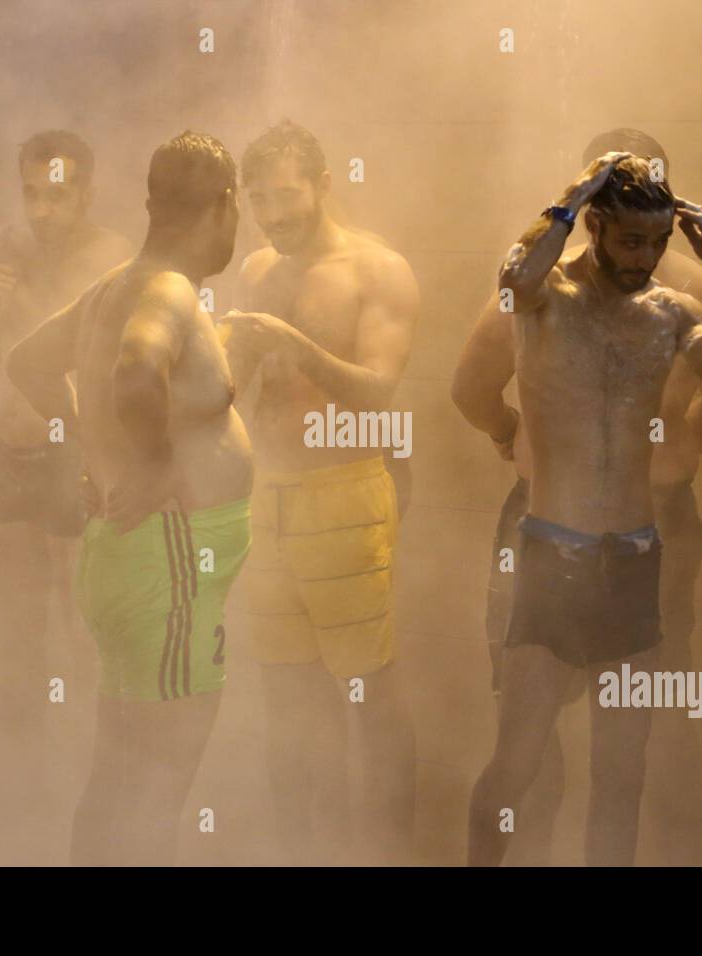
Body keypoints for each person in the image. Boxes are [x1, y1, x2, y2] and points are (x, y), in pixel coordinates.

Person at [458, 153, 702, 866]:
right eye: (631, 240)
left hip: (632, 560)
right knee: (518, 760)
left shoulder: (671, 313)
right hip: (551, 554)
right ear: (593, 225)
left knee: (622, 773)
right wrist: (574, 188)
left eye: (658, 243)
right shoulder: (544, 299)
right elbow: (512, 278)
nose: (646, 258)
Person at [7, 130, 253, 865]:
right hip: (165, 564)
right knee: (157, 789)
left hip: (140, 563)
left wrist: (95, 450)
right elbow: (138, 370)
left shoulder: (114, 284)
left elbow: (26, 362)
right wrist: (149, 463)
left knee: (121, 778)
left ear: (151, 205)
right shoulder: (168, 289)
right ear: (226, 205)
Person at [224, 120, 420, 864]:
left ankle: (392, 854)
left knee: (369, 690)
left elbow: (379, 391)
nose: (273, 213)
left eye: (287, 194)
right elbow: (243, 394)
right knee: (286, 696)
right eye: (260, 199)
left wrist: (298, 345)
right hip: (269, 496)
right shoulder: (255, 270)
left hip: (344, 491)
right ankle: (300, 853)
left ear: (324, 184)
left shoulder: (378, 269)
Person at [0, 130, 133, 738]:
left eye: (56, 196)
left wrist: (22, 298)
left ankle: (89, 743)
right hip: (14, 446)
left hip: (77, 451)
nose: (41, 211)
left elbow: (88, 355)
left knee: (79, 612)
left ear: (86, 194)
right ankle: (22, 744)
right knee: (15, 610)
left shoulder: (112, 257)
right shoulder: (7, 246)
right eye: (31, 194)